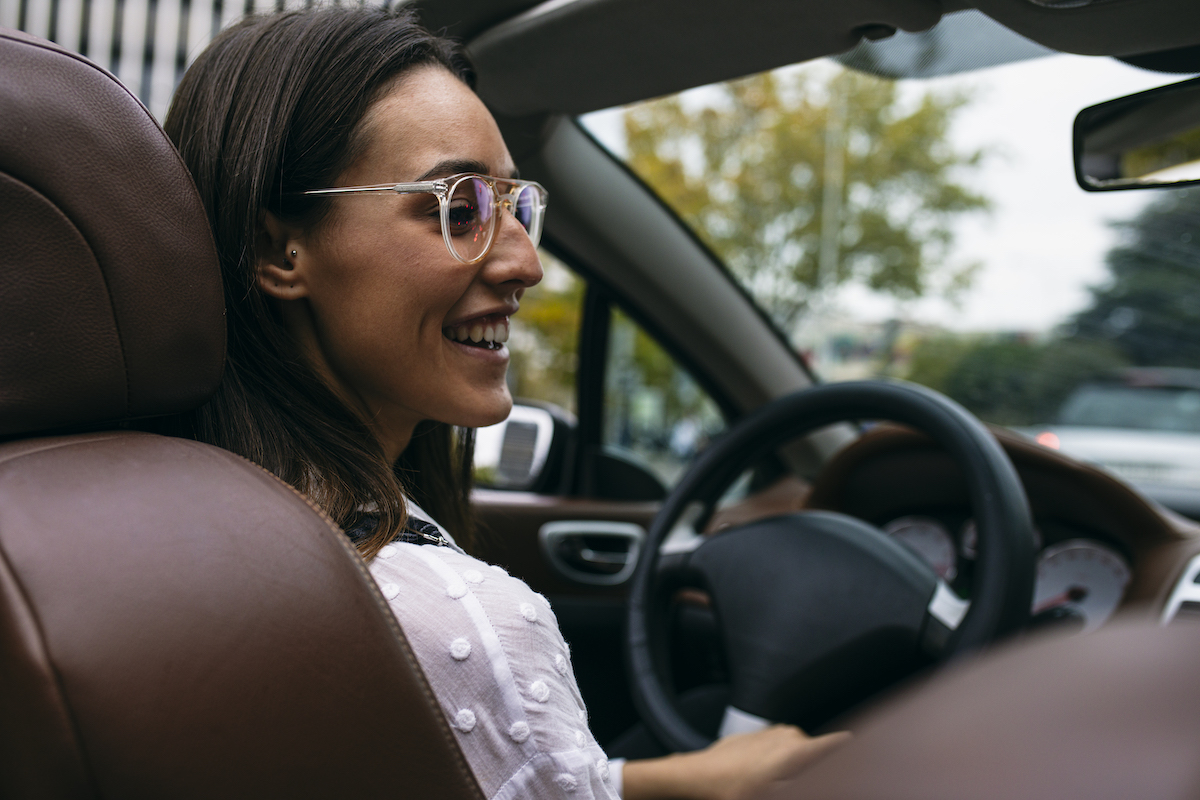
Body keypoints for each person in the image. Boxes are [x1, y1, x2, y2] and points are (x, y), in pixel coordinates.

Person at [160, 6, 848, 798]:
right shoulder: (450, 618)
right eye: (457, 209)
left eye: (516, 206)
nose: (526, 263)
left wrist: (679, 782)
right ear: (279, 250)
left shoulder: (185, 515)